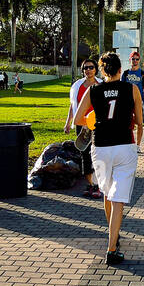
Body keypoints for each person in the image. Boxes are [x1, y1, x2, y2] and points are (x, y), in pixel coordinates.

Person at [72, 52, 144, 266]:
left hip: (101, 146)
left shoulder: (94, 90)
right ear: (120, 70)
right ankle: (112, 247)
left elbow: (78, 118)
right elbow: (140, 121)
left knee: (107, 193)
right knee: (118, 197)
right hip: (124, 144)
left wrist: (93, 119)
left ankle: (114, 237)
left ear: (102, 71)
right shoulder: (131, 89)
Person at [65, 58, 103, 200]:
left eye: (91, 67)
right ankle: (90, 184)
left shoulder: (102, 84)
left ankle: (99, 184)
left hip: (98, 125)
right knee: (85, 154)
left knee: (98, 154)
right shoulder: (77, 86)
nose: (88, 70)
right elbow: (73, 105)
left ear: (96, 69)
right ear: (82, 71)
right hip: (82, 125)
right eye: (86, 68)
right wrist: (68, 122)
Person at [123, 51, 144, 122]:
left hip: (140, 101)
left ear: (139, 60)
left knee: (140, 123)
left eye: (137, 59)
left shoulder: (143, 73)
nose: (135, 61)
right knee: (128, 123)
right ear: (130, 60)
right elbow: (122, 88)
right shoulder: (126, 73)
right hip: (128, 101)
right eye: (133, 59)